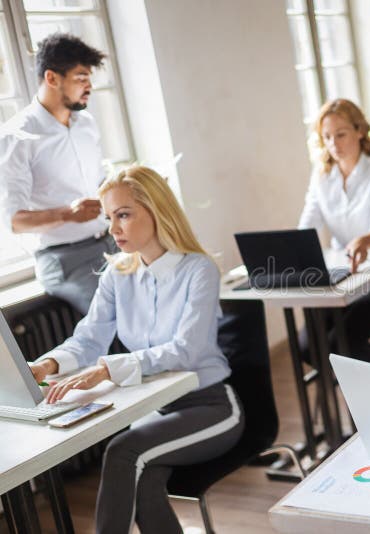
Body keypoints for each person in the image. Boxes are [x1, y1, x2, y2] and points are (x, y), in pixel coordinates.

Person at [29, 166, 244, 534]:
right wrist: (46, 365)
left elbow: (186, 351)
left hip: (210, 407)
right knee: (139, 475)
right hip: (153, 409)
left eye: (124, 215)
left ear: (157, 211)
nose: (113, 230)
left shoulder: (199, 270)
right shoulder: (117, 275)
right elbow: (89, 338)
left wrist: (108, 369)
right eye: (109, 217)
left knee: (123, 452)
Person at [0, 33, 115, 314]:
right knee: (116, 315)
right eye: (80, 78)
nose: (88, 86)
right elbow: (15, 222)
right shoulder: (17, 137)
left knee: (168, 294)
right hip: (64, 259)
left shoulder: (86, 124)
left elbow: (98, 183)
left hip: (111, 242)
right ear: (52, 78)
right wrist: (67, 214)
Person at [298, 98, 370, 368]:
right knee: (306, 347)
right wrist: (291, 248)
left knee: (342, 343)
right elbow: (307, 225)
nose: (334, 144)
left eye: (341, 134)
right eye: (326, 137)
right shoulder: (321, 176)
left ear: (359, 131)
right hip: (344, 279)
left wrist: (363, 241)